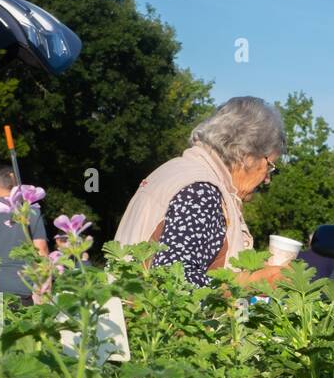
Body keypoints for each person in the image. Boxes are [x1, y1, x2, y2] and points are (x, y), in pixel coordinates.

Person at [115, 96, 288, 287]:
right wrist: (253, 282)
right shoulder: (201, 193)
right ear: (247, 156)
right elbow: (173, 283)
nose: (267, 178)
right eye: (269, 165)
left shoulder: (178, 170)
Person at [0, 165, 49, 295]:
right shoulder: (30, 210)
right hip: (22, 287)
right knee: (25, 316)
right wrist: (44, 290)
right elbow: (42, 250)